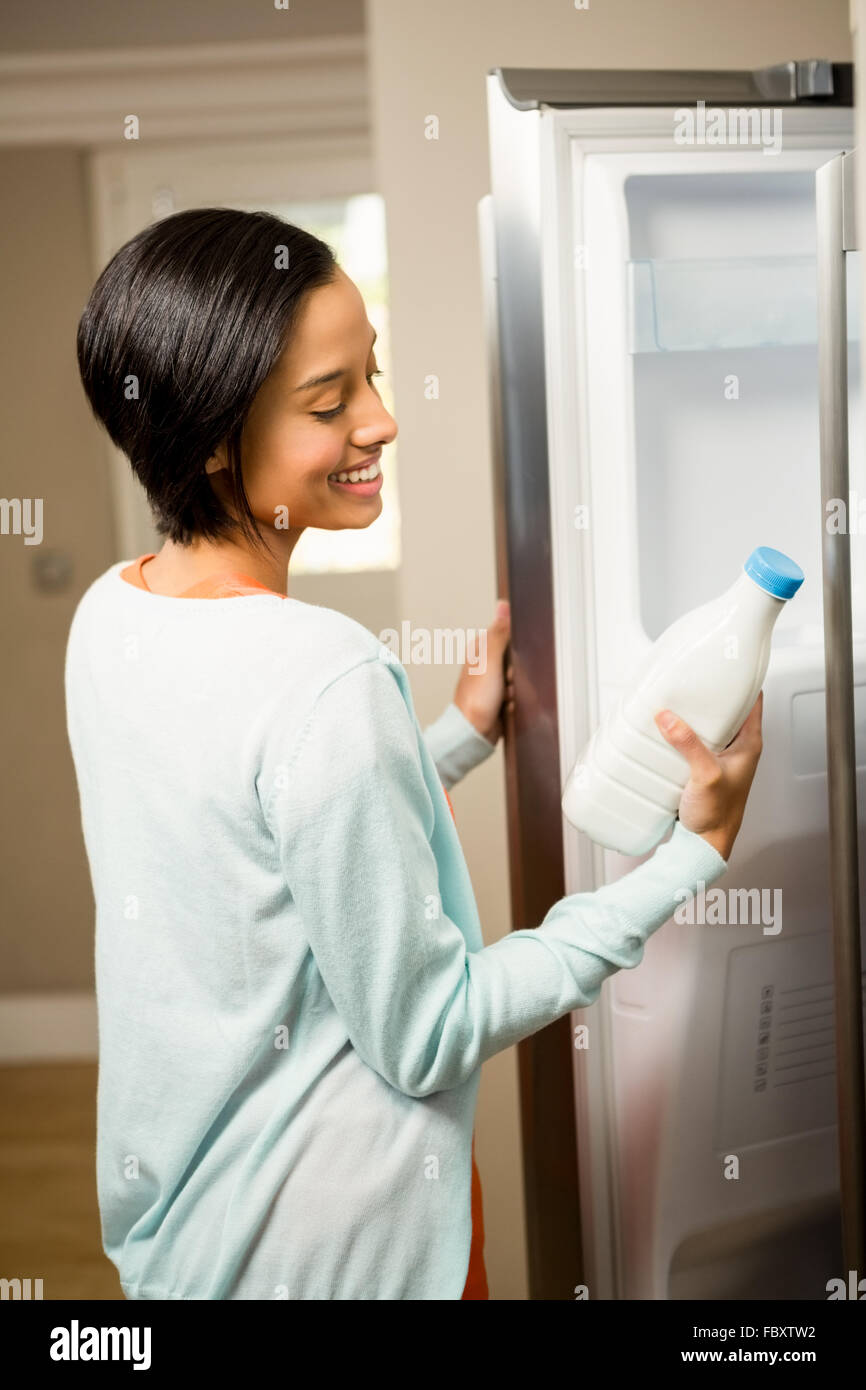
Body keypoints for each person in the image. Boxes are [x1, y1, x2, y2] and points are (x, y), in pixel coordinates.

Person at [65, 207, 763, 1301]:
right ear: (209, 437)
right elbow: (431, 1031)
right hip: (340, 1248)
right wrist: (692, 850)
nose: (382, 421)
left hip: (192, 1229)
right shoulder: (321, 674)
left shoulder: (114, 613)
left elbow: (250, 853)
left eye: (371, 376)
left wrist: (452, 738)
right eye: (328, 400)